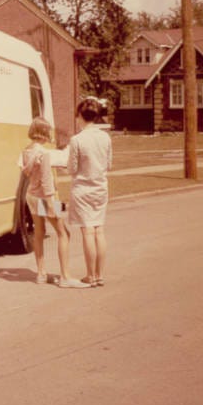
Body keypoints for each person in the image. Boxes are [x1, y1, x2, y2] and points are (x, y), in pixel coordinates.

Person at [20, 117, 86, 288]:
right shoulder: (44, 153)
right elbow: (47, 182)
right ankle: (65, 276)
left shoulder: (26, 151)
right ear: (43, 133)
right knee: (64, 233)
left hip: (31, 197)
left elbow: (26, 173)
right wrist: (51, 205)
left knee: (39, 233)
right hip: (45, 198)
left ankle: (41, 274)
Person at [67, 97, 112, 287]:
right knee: (99, 230)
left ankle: (90, 275)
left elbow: (72, 169)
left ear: (80, 116)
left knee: (87, 232)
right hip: (100, 188)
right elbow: (108, 165)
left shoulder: (77, 140)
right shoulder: (105, 137)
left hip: (83, 189)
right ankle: (100, 275)